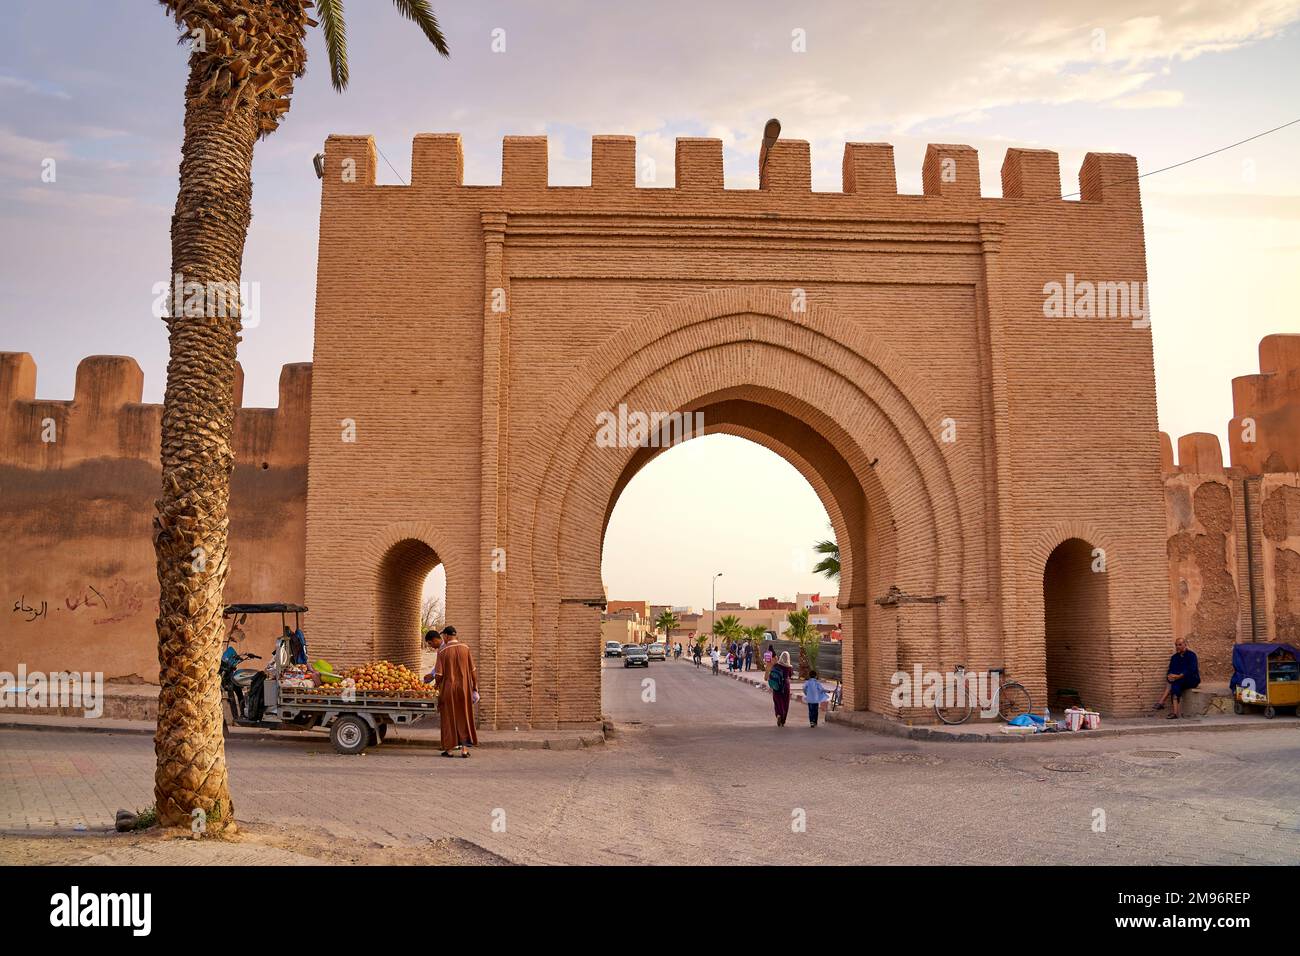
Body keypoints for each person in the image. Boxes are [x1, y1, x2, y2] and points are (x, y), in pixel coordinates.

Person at [433, 625, 478, 757]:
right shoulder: (466, 648)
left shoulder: (442, 652)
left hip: (448, 689)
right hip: (464, 689)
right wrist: (474, 687)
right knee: (464, 716)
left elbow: (439, 674)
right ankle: (464, 750)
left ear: (446, 636)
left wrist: (437, 684)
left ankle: (449, 750)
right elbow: (473, 671)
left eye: (443, 636)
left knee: (448, 718)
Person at [1154, 637, 1200, 719]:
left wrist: (1179, 676)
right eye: (1176, 645)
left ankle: (1161, 702)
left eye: (1180, 645)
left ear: (1185, 645)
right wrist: (1170, 675)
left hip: (1191, 679)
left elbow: (1192, 670)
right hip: (1178, 680)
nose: (1177, 646)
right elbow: (1170, 669)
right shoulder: (1174, 657)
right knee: (1174, 684)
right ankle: (1174, 713)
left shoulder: (1191, 655)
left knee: (1175, 682)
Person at [768, 651, 794, 726]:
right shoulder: (789, 667)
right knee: (785, 702)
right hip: (785, 685)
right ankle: (783, 720)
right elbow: (790, 676)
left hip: (777, 686)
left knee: (777, 701)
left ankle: (778, 714)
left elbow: (771, 673)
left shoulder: (776, 665)